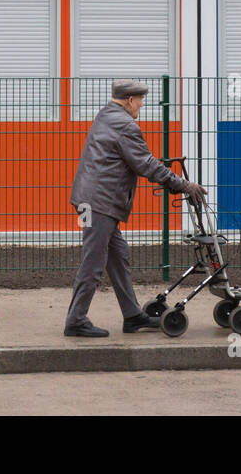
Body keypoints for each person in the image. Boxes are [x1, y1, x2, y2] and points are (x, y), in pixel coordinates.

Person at [64, 78, 207, 337]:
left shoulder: (106, 115)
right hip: (100, 203)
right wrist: (184, 185)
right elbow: (146, 164)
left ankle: (132, 316)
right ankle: (75, 321)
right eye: (140, 100)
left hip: (88, 200)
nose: (141, 105)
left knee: (118, 256)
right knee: (93, 262)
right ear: (129, 100)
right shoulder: (124, 125)